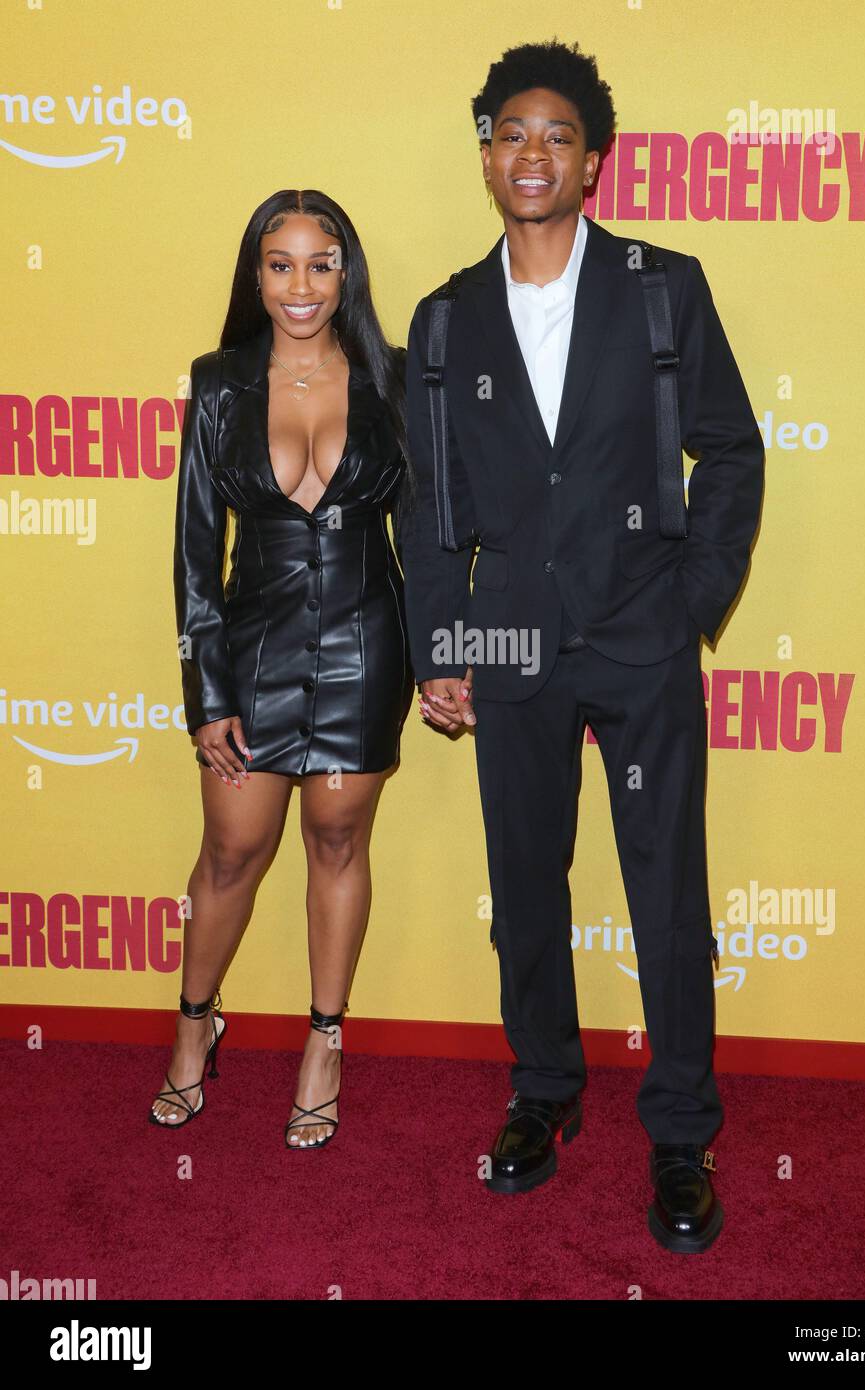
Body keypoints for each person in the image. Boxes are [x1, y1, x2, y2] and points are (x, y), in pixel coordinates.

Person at [398, 41, 764, 1251]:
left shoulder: (665, 289)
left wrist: (691, 596)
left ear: (592, 159)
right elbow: (425, 498)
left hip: (639, 637)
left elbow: (732, 450)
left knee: (666, 893)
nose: (533, 152)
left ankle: (679, 1135)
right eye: (511, 131)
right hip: (503, 639)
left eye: (558, 134)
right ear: (486, 152)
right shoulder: (444, 318)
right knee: (526, 888)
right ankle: (543, 1096)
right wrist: (438, 639)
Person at [150, 190, 413, 1149]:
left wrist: (442, 657)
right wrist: (206, 694)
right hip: (252, 650)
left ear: (347, 273)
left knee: (338, 844)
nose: (301, 285)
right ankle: (194, 1025)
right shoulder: (218, 382)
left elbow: (419, 533)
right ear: (254, 275)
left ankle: (323, 1045)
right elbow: (192, 554)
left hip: (363, 644)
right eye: (280, 263)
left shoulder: (390, 377)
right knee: (230, 851)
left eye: (321, 262)